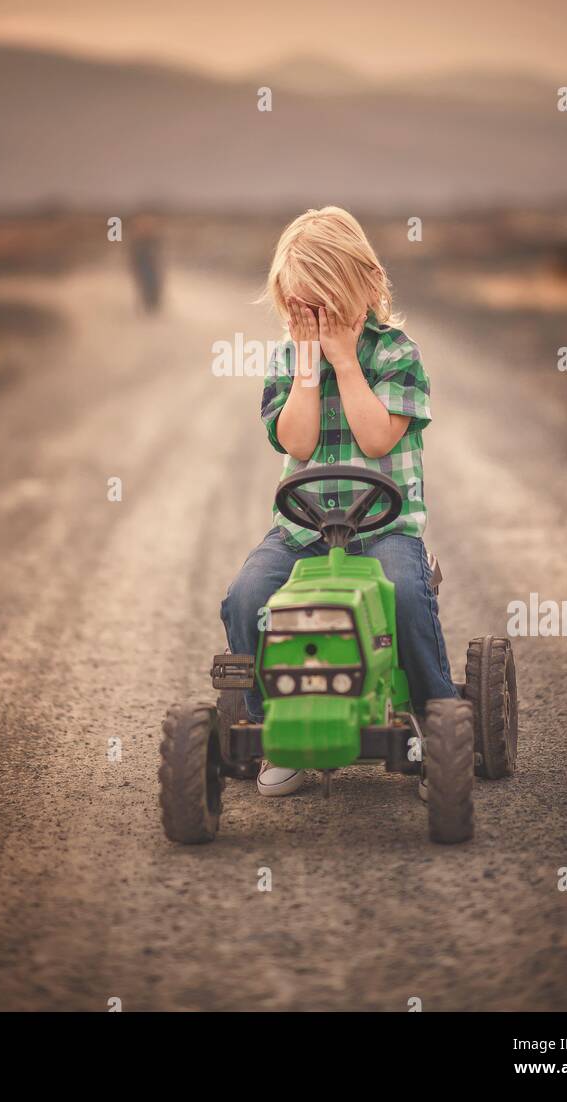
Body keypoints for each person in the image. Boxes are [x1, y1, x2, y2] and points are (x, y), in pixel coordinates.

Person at [220, 206, 457, 797]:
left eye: (324, 307)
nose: (314, 323)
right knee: (247, 595)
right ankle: (273, 728)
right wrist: (307, 374)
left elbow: (378, 437)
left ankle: (436, 728)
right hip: (301, 532)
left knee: (403, 592)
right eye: (301, 310)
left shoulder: (397, 354)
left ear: (364, 288)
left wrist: (347, 363)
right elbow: (296, 441)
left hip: (385, 530)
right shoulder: (286, 361)